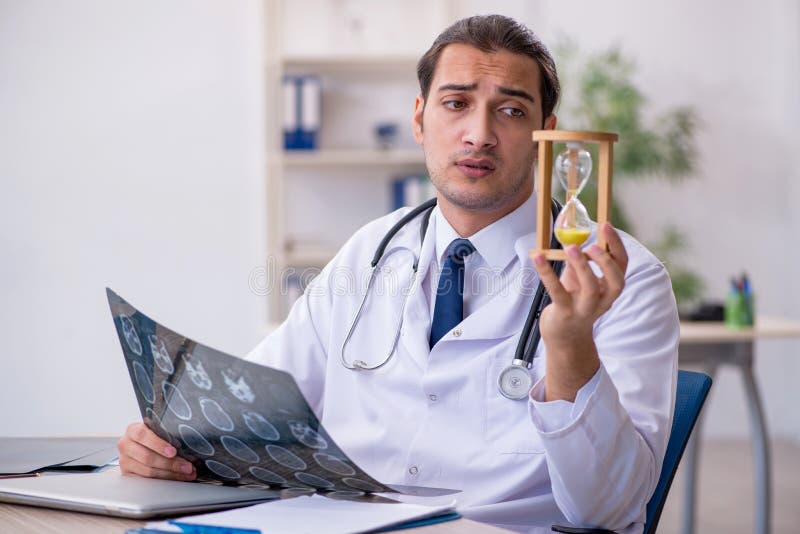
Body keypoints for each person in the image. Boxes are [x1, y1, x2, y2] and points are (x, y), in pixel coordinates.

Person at [117, 14, 678, 534]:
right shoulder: (371, 251)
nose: (479, 134)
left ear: (546, 135)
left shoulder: (625, 279)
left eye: (510, 111)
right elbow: (257, 412)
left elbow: (612, 509)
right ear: (419, 119)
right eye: (456, 103)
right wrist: (173, 447)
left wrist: (571, 350)